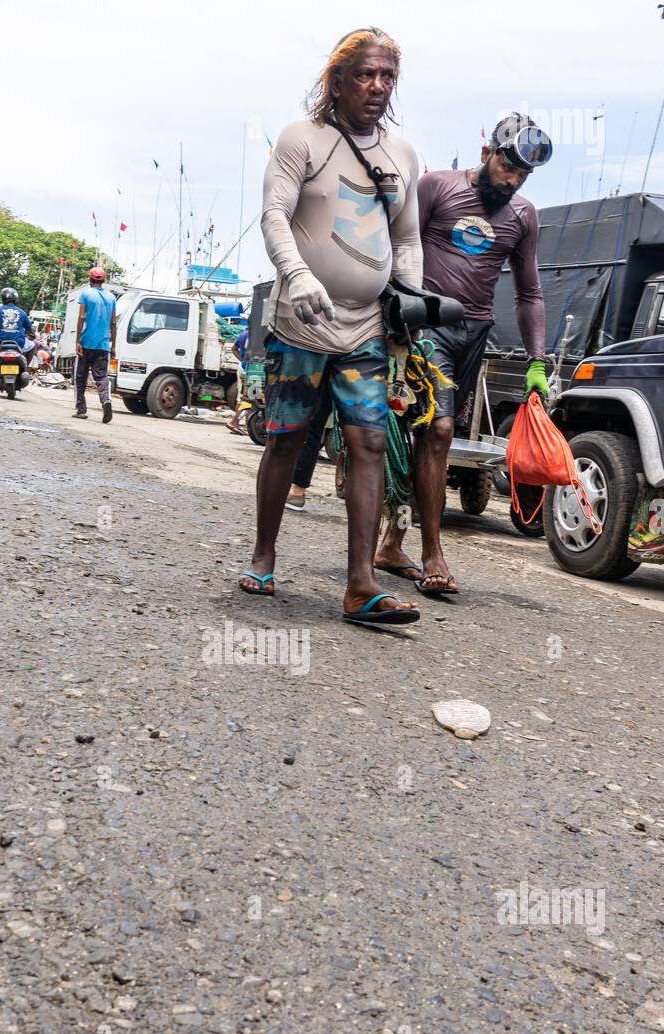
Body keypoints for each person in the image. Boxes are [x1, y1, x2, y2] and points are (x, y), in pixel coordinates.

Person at [240, 27, 422, 625]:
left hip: (366, 327)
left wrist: (409, 310)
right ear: (337, 80)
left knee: (370, 439)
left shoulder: (402, 155)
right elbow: (274, 214)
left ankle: (360, 585)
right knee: (287, 437)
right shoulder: (303, 139)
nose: (376, 87)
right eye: (365, 75)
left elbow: (407, 239)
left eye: (387, 77)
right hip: (300, 320)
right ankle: (264, 555)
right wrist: (296, 275)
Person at [374, 112, 552, 595]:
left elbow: (530, 293)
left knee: (431, 440)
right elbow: (397, 247)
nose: (513, 180)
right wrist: (392, 314)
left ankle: (393, 542)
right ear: (486, 153)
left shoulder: (523, 216)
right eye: (508, 166)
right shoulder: (436, 187)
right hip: (427, 326)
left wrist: (537, 360)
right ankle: (434, 554)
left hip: (475, 334)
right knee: (440, 429)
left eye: (523, 174)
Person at [73, 268, 116, 422]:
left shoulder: (85, 294)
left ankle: (81, 410)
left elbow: (82, 316)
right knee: (101, 377)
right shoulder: (111, 297)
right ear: (103, 281)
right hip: (103, 345)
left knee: (81, 378)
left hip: (86, 343)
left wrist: (77, 340)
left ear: (90, 280)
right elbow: (113, 322)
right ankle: (106, 400)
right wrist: (113, 346)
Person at [0, 288, 34, 377]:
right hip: (19, 343)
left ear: (3, 298)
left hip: (0, 342)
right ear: (16, 299)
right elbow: (29, 330)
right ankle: (26, 368)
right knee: (33, 346)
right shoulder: (22, 313)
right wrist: (31, 334)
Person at [227, 325, 249, 435]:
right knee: (250, 396)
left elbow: (234, 348)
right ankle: (236, 422)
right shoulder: (253, 335)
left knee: (242, 397)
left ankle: (243, 425)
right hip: (250, 370)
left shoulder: (243, 334)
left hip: (243, 367)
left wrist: (242, 360)